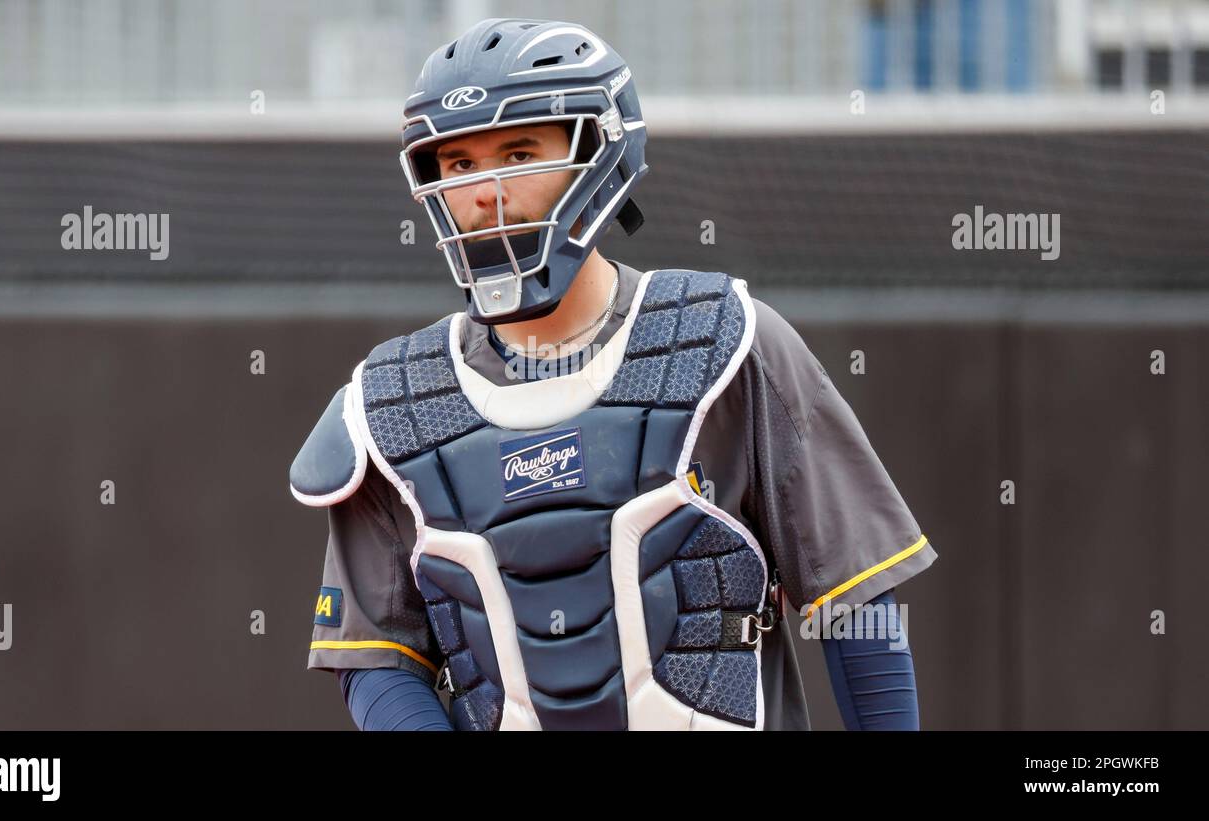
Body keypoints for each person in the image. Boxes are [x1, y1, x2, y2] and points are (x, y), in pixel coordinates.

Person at [290, 18, 937, 731]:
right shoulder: (394, 409)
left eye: (518, 152)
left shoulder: (726, 345)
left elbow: (857, 605)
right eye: (459, 164)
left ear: (598, 151)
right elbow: (376, 659)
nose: (484, 193)